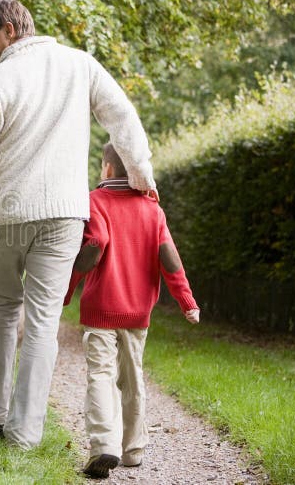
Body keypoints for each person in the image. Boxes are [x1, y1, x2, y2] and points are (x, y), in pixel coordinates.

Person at [0, 0, 158, 449]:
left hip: (5, 214)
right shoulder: (80, 65)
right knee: (42, 321)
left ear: (10, 30)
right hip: (63, 214)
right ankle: (25, 433)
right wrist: (141, 176)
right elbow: (122, 119)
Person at [64, 142, 200, 478]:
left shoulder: (96, 202)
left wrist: (64, 292)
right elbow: (169, 258)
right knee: (133, 378)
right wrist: (187, 302)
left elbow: (93, 248)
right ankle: (133, 449)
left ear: (108, 169)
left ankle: (103, 446)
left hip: (100, 310)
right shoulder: (153, 209)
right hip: (138, 313)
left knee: (100, 375)